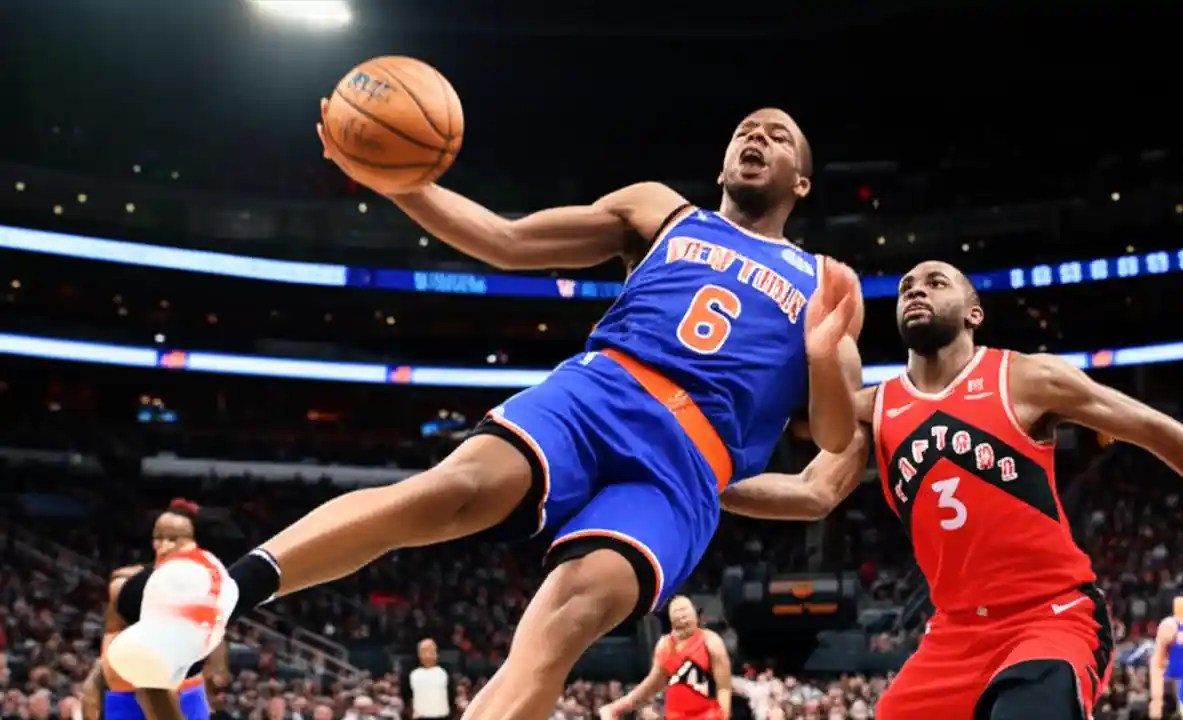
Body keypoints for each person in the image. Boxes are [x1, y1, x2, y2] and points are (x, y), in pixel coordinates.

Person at [109, 106, 865, 720]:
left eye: (778, 134)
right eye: (744, 129)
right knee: (451, 490)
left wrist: (829, 357)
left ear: (800, 180)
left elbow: (832, 440)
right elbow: (507, 242)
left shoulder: (830, 282)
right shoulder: (661, 211)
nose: (755, 137)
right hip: (601, 391)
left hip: (687, 466)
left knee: (563, 625)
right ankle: (222, 594)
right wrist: (398, 179)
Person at [718, 260, 1183, 719]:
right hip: (953, 635)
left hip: (1052, 617)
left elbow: (1158, 431)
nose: (917, 290)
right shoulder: (875, 408)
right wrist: (704, 482)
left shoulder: (1027, 378)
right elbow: (811, 493)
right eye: (908, 287)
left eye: (936, 283)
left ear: (973, 313)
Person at [100, 500, 228, 720]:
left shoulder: (204, 582)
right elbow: (112, 635)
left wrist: (217, 668)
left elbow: (214, 632)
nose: (164, 544)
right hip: (133, 688)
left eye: (174, 538)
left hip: (186, 687)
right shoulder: (126, 583)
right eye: (159, 537)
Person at [599, 595, 732, 720]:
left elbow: (724, 687)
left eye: (685, 610)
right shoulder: (665, 645)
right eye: (677, 612)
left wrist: (723, 717)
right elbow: (652, 685)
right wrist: (617, 707)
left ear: (696, 616)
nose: (682, 616)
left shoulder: (710, 640)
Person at [405, 639, 452, 720]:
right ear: (419, 654)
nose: (428, 655)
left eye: (431, 651)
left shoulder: (444, 672)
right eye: (424, 652)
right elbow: (407, 696)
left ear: (437, 654)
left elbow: (451, 695)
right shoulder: (412, 674)